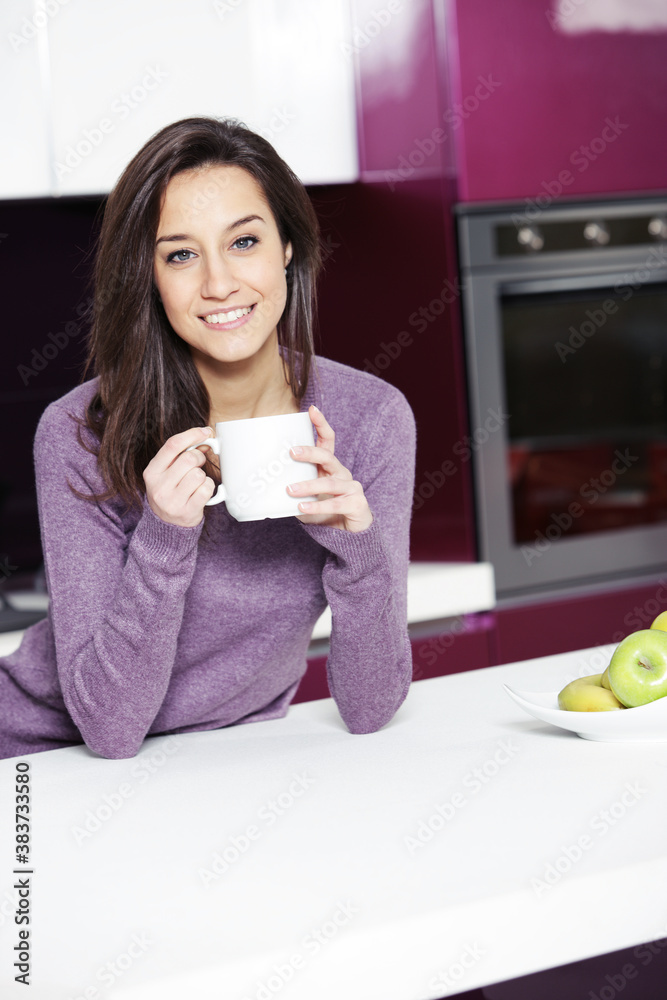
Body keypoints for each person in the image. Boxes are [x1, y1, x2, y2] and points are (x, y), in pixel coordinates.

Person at [0, 117, 416, 760]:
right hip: (37, 757)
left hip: (223, 762)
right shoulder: (79, 432)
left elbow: (370, 708)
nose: (219, 284)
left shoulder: (371, 420)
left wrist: (355, 550)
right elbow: (108, 732)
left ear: (287, 247)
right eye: (182, 254)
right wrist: (164, 533)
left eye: (244, 241)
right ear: (150, 275)